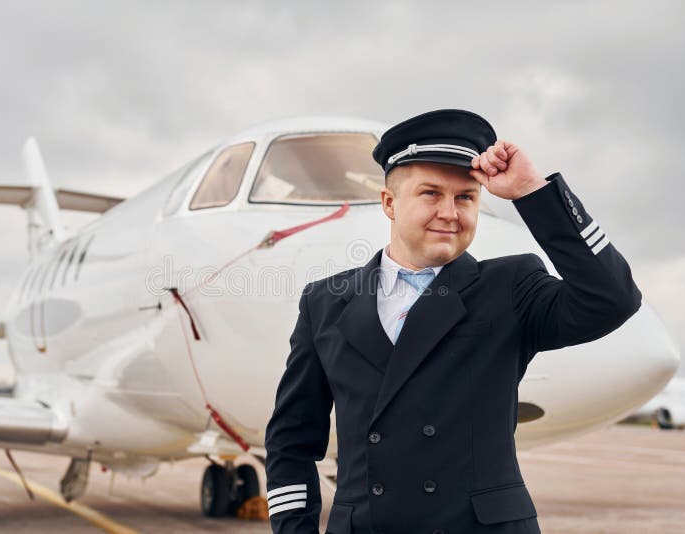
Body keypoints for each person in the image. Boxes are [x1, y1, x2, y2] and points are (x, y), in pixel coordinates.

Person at [263, 109, 642, 533]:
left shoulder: (510, 287)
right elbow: (291, 440)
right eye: (431, 194)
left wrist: (531, 192)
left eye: (465, 197)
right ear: (389, 203)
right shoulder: (324, 302)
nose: (450, 212)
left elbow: (613, 298)